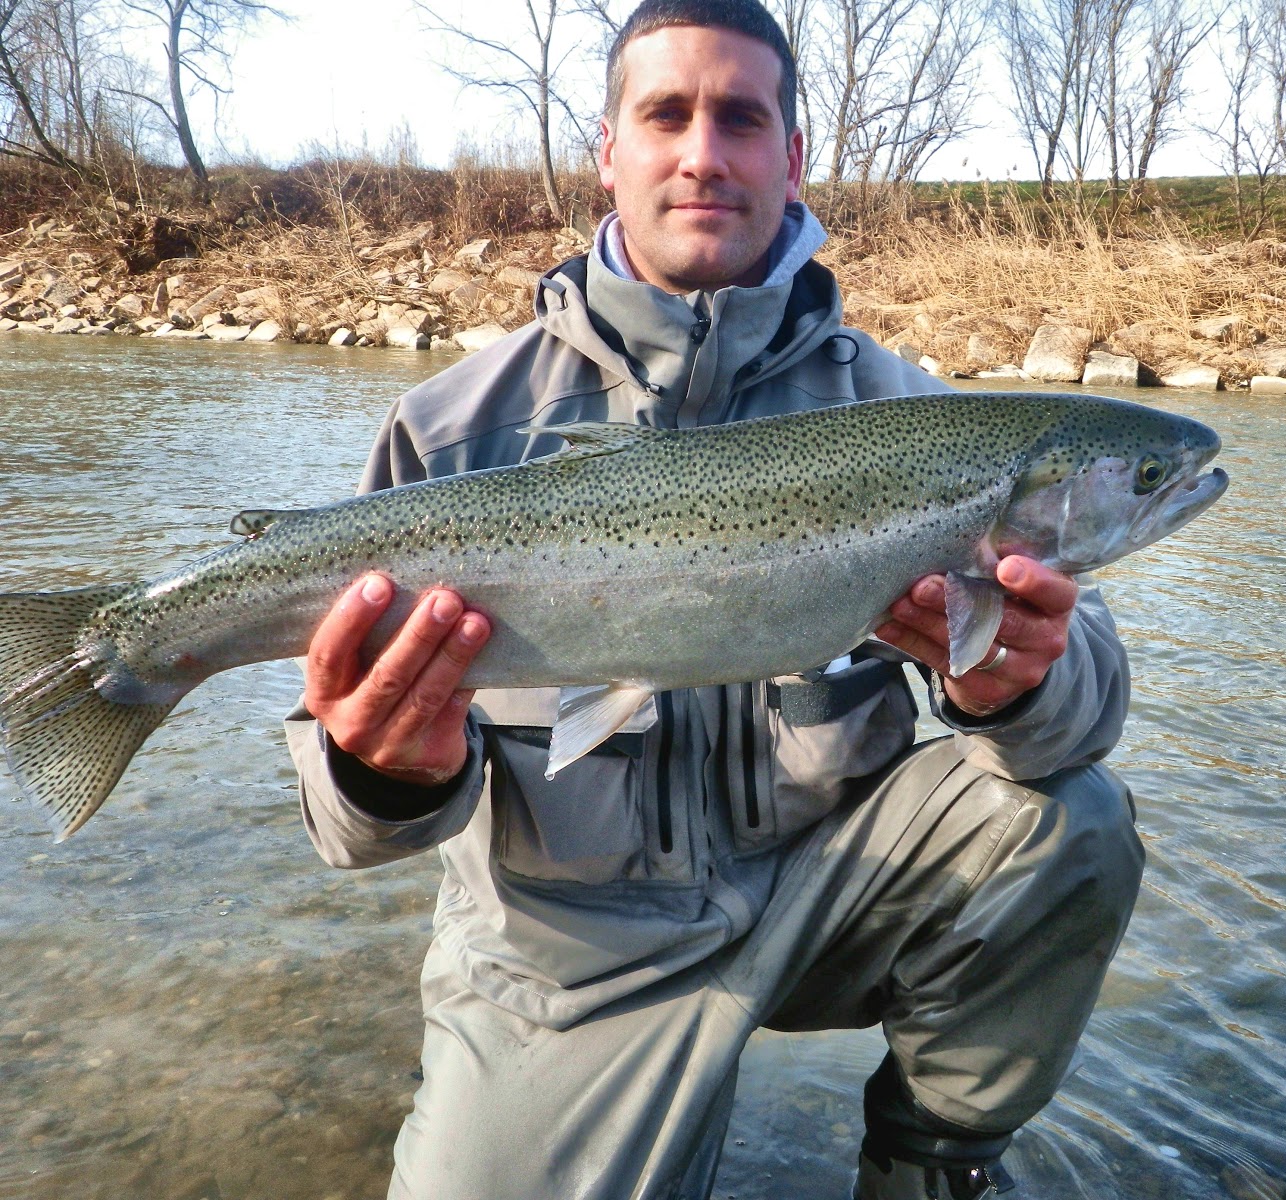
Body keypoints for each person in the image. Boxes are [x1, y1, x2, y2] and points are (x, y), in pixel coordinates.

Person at [285, 1, 1144, 1196]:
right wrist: (387, 768)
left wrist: (1024, 683)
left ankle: (931, 1167)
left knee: (1071, 817)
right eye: (666, 114)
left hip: (822, 903)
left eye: (742, 117)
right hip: (565, 957)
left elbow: (1088, 716)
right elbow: (348, 829)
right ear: (608, 148)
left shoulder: (913, 418)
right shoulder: (449, 432)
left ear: (791, 154)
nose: (703, 153)